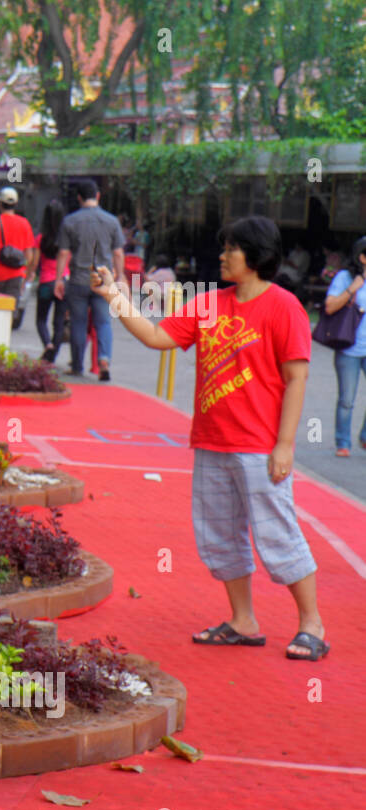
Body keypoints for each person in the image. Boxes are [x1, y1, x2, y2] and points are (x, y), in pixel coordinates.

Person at [92, 215, 328, 661]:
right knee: (220, 537)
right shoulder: (208, 304)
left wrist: (285, 444)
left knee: (278, 534)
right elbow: (158, 337)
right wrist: (114, 296)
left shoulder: (284, 307)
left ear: (256, 255)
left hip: (260, 446)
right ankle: (243, 622)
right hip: (212, 440)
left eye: (231, 249)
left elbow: (296, 379)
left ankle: (312, 625)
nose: (222, 256)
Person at [54, 179, 123, 380]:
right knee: (103, 322)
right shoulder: (111, 221)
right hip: (103, 280)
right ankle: (103, 360)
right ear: (98, 196)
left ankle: (77, 365)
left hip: (78, 280)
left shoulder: (70, 221)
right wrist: (121, 277)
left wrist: (59, 279)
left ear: (79, 198)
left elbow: (63, 253)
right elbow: (118, 253)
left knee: (78, 323)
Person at [325, 236, 366, 457]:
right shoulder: (345, 277)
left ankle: (365, 437)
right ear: (362, 257)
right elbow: (330, 307)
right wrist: (354, 288)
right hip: (349, 347)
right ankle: (343, 442)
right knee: (347, 399)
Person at [0, 186, 37, 330]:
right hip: (16, 277)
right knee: (9, 314)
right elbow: (29, 255)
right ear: (16, 204)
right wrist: (26, 274)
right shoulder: (24, 224)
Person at [34, 198, 69, 364]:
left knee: (41, 319)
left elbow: (34, 262)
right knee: (59, 321)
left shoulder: (41, 238)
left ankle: (47, 344)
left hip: (45, 282)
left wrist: (29, 277)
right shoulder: (67, 239)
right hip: (64, 282)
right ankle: (52, 355)